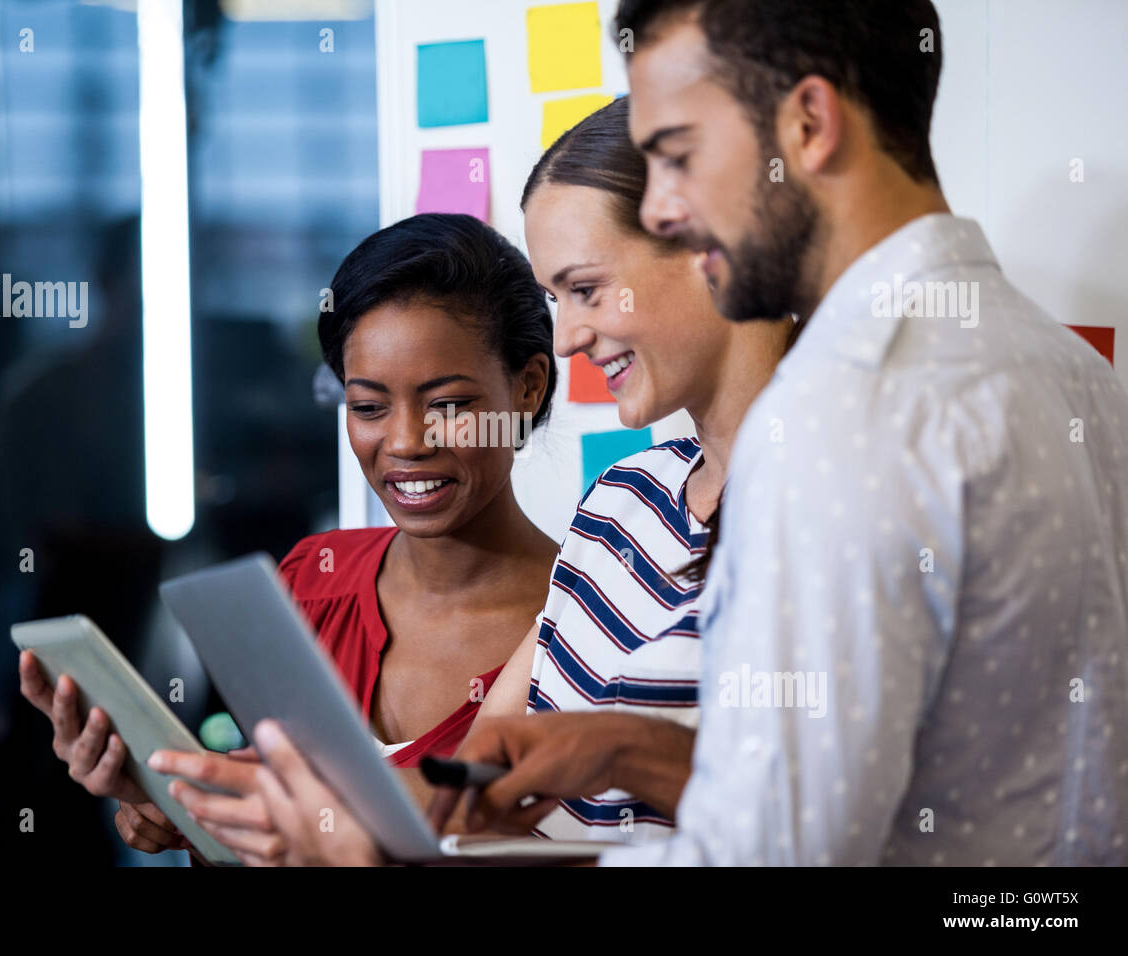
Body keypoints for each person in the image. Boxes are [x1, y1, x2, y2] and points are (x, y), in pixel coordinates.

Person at [447, 0, 1128, 866]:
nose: (664, 209)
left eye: (679, 157)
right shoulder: (1075, 376)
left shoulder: (836, 415)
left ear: (808, 124)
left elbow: (772, 854)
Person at [153, 97, 795, 864]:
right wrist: (214, 793)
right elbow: (476, 786)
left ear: (708, 252)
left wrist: (625, 752)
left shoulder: (837, 503)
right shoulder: (624, 502)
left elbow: (825, 820)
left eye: (586, 290)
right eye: (557, 300)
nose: (568, 338)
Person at [20, 212, 561, 859]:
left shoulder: (593, 623)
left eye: (447, 403)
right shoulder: (313, 578)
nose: (407, 442)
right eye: (368, 406)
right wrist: (174, 805)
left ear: (527, 387)